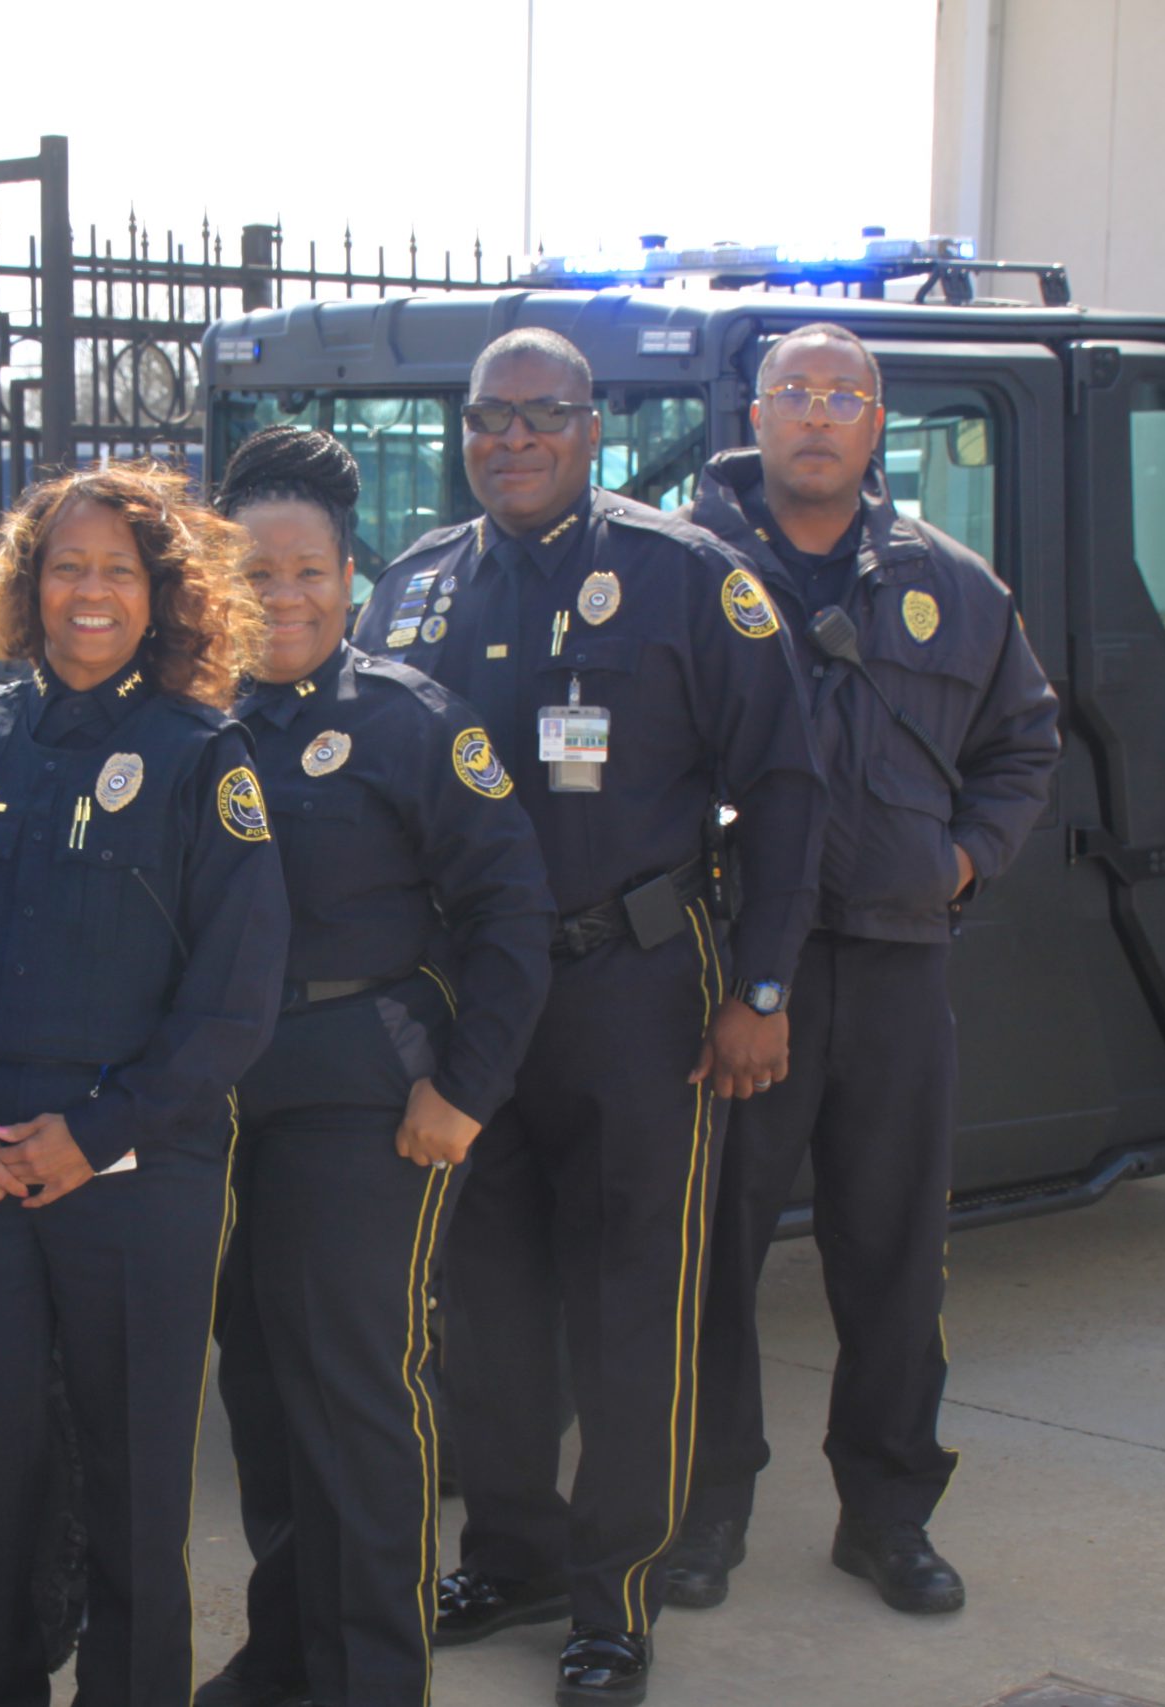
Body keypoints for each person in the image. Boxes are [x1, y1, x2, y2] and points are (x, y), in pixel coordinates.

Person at [352, 328, 827, 1705]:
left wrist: (765, 986)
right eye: (488, 417)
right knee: (484, 1299)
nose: (511, 439)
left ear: (594, 426)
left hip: (635, 991)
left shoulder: (686, 577)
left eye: (541, 415)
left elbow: (790, 786)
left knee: (633, 1302)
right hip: (467, 1007)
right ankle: (510, 1551)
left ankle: (615, 1595)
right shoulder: (417, 586)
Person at [0, 460, 290, 1707]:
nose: (88, 593)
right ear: (27, 587)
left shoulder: (206, 755)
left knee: (136, 1490)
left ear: (161, 595)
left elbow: (234, 1001)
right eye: (65, 567)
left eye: (117, 571)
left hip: (133, 1174)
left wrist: (90, 1136)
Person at [663, 322, 1060, 1616]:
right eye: (796, 391)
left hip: (894, 962)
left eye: (845, 394)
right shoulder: (679, 571)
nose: (819, 414)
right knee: (710, 1250)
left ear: (877, 423)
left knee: (892, 1254)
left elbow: (1024, 740)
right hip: (730, 972)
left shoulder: (955, 582)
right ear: (757, 412)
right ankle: (703, 1508)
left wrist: (957, 862)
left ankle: (886, 1512)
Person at [199, 426, 556, 1707]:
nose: (282, 598)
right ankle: (286, 1654)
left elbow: (512, 916)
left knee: (356, 1398)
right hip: (219, 1106)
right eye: (255, 575)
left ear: (349, 580)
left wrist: (463, 1089)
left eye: (307, 573)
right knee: (260, 1396)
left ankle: (369, 1679)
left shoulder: (410, 724)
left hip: (364, 1106)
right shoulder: (190, 725)